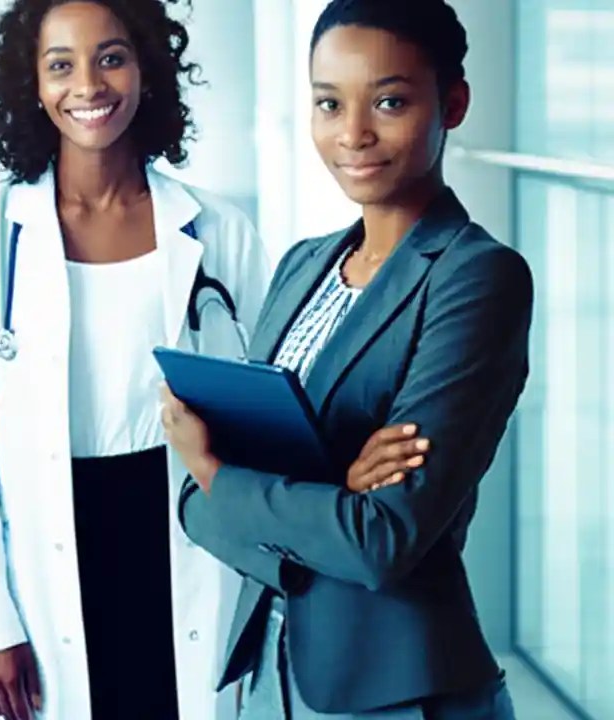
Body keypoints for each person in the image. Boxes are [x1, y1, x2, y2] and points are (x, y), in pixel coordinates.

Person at [162, 0, 529, 718]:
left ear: (451, 102)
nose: (353, 133)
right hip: (265, 675)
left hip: (397, 688)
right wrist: (329, 488)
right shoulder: (303, 266)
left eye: (390, 101)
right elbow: (194, 515)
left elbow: (380, 541)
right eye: (329, 103)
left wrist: (217, 471)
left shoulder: (476, 277)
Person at [0, 1, 276, 718]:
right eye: (61, 64)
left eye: (111, 57)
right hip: (51, 545)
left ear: (148, 69)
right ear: (31, 84)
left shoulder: (217, 232)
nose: (88, 84)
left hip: (185, 541)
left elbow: (266, 418)